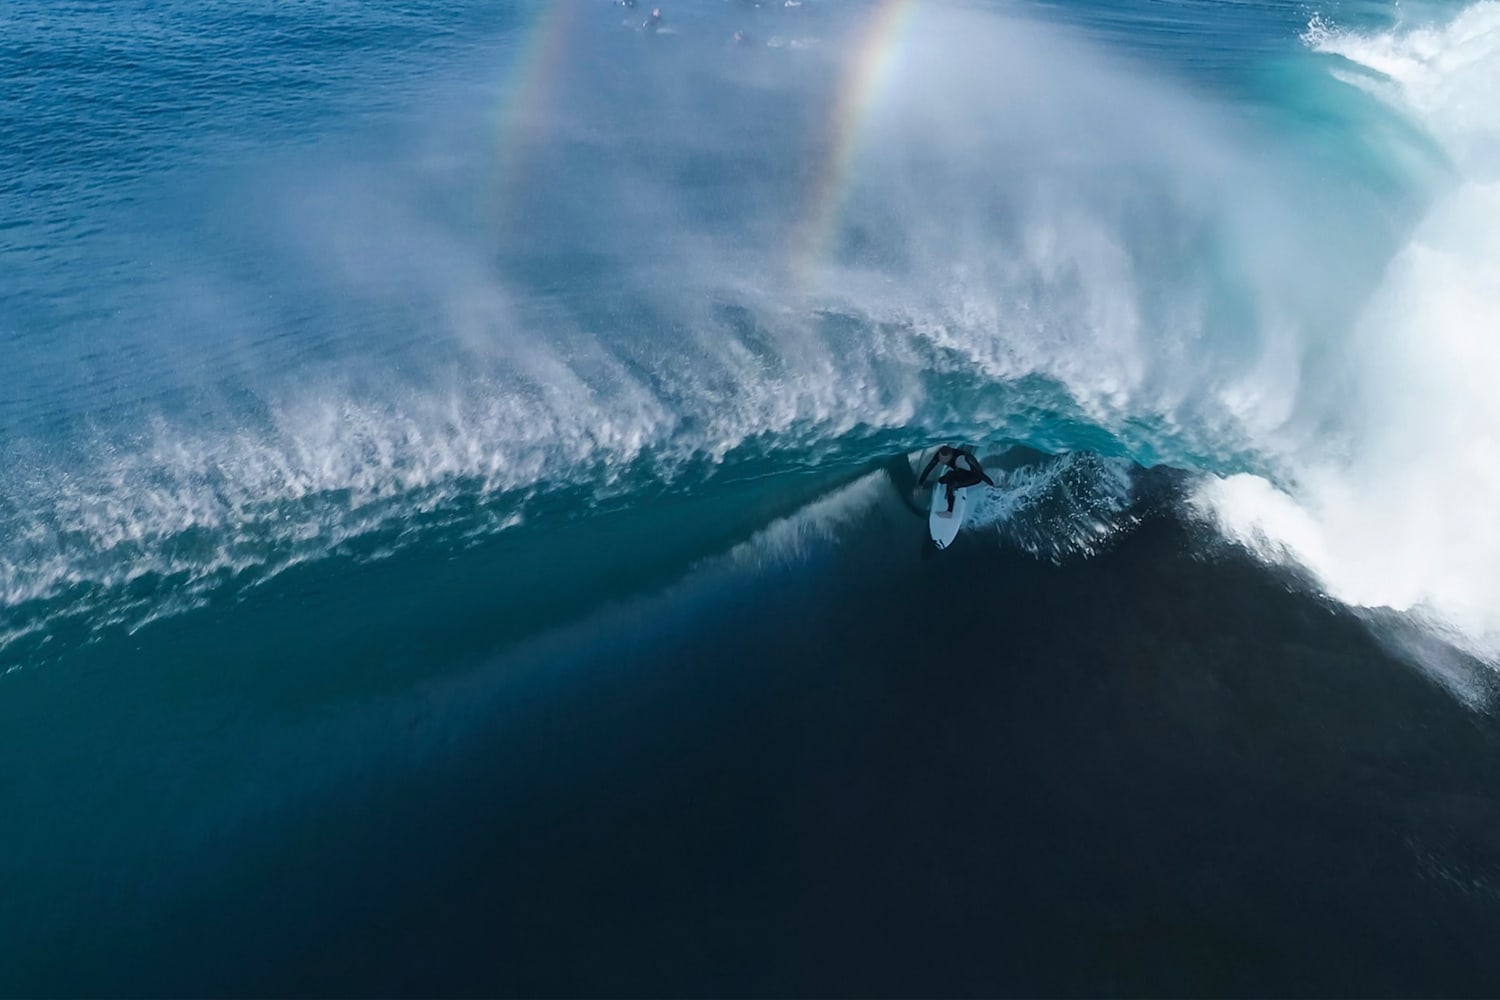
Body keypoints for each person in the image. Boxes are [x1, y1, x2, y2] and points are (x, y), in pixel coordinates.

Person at [917, 445, 994, 515]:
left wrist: (991, 484)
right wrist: (920, 484)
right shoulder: (940, 454)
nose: (941, 461)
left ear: (950, 456)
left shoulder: (962, 460)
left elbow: (979, 474)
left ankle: (949, 512)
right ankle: (953, 486)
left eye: (944, 460)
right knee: (942, 480)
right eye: (940, 458)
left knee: (951, 484)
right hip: (960, 471)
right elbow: (929, 467)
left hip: (974, 477)